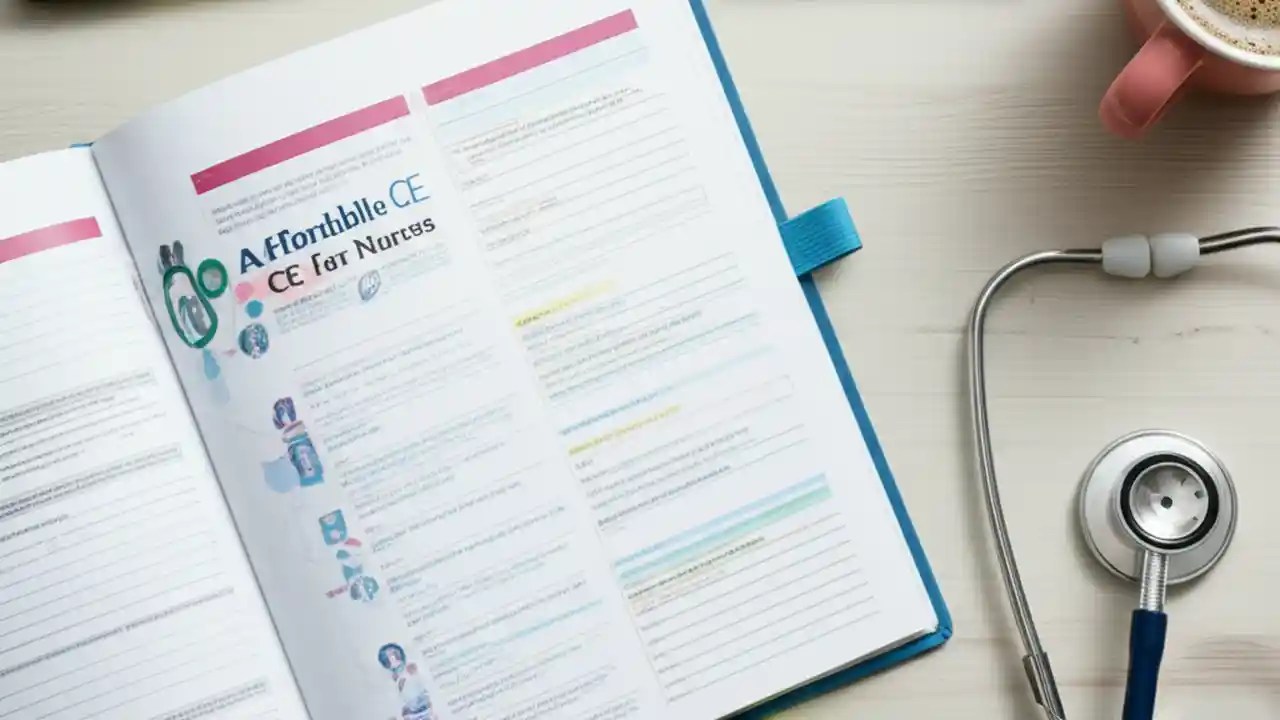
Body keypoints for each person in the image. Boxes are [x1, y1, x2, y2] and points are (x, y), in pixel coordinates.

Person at [377, 643, 435, 720]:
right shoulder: (391, 682)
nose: (392, 658)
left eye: (394, 654)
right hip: (412, 712)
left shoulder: (413, 669)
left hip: (423, 707)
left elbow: (424, 684)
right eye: (388, 657)